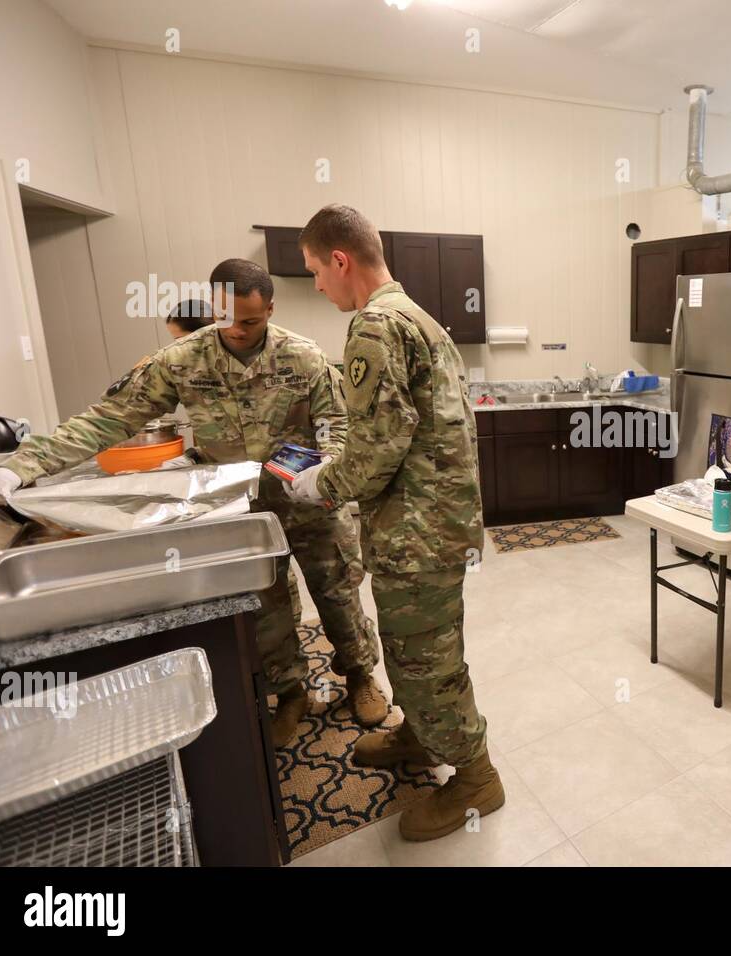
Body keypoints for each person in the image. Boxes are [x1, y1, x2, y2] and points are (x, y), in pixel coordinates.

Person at [0, 259, 390, 744]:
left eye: (250, 321)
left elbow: (336, 423)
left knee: (338, 592)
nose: (236, 330)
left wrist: (328, 470)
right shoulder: (181, 360)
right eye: (225, 318)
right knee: (265, 607)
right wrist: (21, 465)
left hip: (311, 503)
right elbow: (107, 419)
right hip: (240, 511)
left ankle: (361, 675)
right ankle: (291, 690)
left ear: (270, 309)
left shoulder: (303, 357)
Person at [284, 204, 501, 842]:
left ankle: (475, 776)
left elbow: (377, 448)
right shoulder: (417, 316)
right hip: (434, 525)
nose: (317, 286)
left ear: (340, 260)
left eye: (315, 272)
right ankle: (419, 734)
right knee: (417, 651)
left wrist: (316, 483)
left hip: (418, 534)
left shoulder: (375, 327)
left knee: (426, 661)